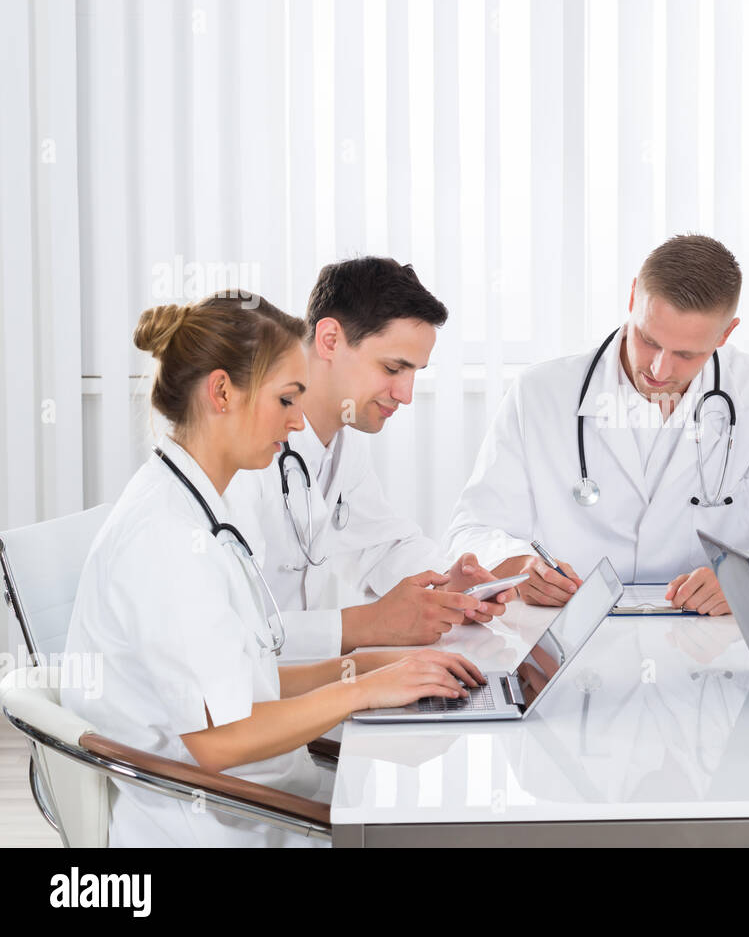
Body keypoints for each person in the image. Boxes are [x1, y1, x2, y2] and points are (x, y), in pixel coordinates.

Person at [62, 293, 484, 846]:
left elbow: (244, 682)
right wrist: (364, 690)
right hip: (224, 821)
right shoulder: (168, 539)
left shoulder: (200, 505)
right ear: (221, 392)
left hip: (267, 793)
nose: (295, 420)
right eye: (286, 399)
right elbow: (220, 741)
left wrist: (364, 669)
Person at [444, 234, 749, 615]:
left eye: (685, 353)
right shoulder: (538, 393)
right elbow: (473, 530)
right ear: (633, 298)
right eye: (649, 340)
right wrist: (519, 566)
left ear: (726, 334)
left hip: (712, 638)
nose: (660, 369)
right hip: (568, 626)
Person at [226, 258, 511, 660]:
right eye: (393, 368)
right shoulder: (242, 451)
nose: (405, 394)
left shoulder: (342, 441)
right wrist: (369, 623)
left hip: (289, 685)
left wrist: (449, 586)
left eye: (415, 372)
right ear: (329, 340)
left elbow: (379, 545)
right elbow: (228, 632)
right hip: (241, 702)